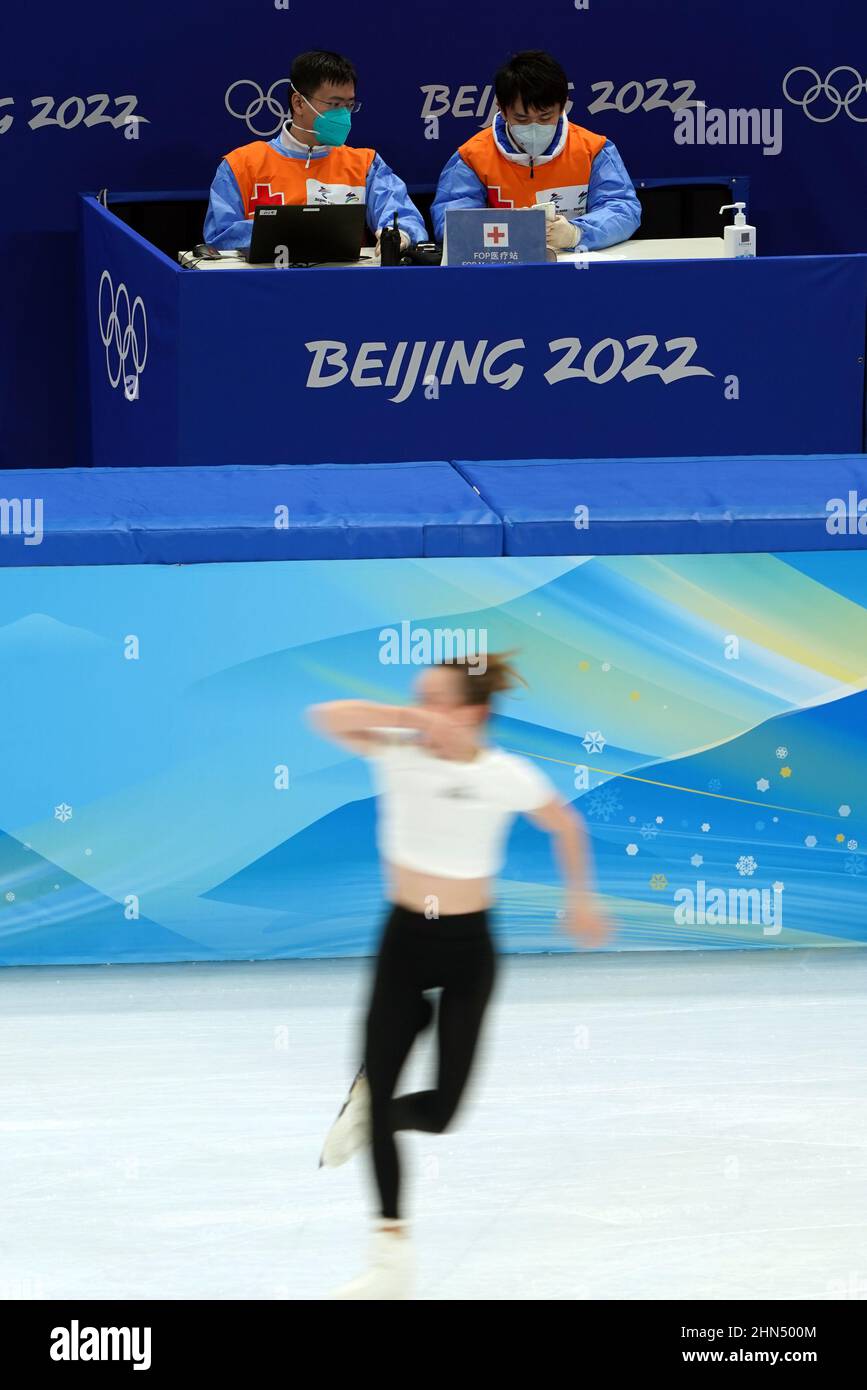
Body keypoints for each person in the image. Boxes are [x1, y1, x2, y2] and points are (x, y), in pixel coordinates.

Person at [307, 653, 611, 1299]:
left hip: (468, 950)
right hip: (403, 943)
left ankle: (371, 1110)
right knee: (387, 1074)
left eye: (436, 701)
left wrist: (580, 900)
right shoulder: (398, 752)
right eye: (418, 699)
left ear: (472, 713)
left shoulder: (505, 774)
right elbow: (324, 717)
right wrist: (402, 718)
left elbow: (565, 823)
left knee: (443, 1112)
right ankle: (389, 1256)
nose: (423, 712)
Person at [204, 50, 427, 252]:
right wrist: (292, 232)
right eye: (334, 104)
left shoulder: (366, 164)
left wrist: (400, 234)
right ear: (299, 103)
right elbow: (219, 235)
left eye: (349, 105)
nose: (344, 115)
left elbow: (403, 217)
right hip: (264, 287)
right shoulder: (241, 164)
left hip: (345, 286)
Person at [431, 49, 641, 253]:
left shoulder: (593, 150)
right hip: (502, 268)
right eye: (521, 119)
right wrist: (510, 228)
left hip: (576, 265)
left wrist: (577, 233)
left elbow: (623, 209)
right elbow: (451, 224)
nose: (534, 127)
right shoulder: (471, 158)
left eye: (545, 117)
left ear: (563, 106)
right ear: (502, 109)